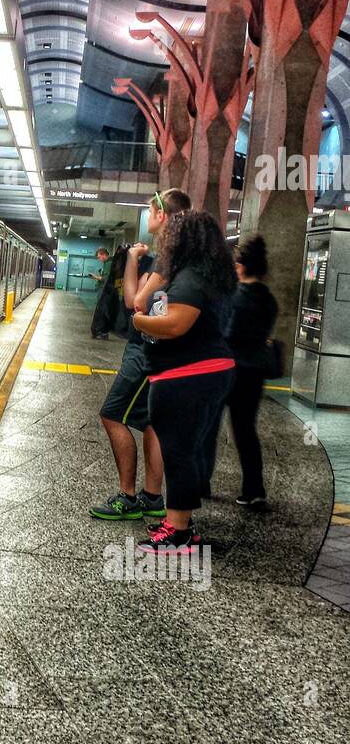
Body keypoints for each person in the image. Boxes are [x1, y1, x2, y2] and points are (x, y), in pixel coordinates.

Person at [131, 209, 237, 554]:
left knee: (178, 452)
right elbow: (163, 311)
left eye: (170, 236)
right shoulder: (203, 276)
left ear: (183, 239)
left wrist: (140, 323)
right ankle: (178, 524)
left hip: (189, 374)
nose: (164, 241)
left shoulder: (191, 277)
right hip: (200, 371)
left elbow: (175, 324)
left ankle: (179, 532)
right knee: (183, 450)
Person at [90, 189, 191, 522]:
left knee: (112, 414)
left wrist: (133, 260)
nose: (148, 217)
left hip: (146, 352)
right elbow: (140, 298)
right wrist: (135, 261)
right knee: (150, 424)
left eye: (150, 211)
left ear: (161, 215)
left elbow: (135, 301)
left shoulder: (168, 258)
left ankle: (128, 497)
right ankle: (151, 496)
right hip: (161, 352)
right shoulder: (177, 254)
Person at [225, 234, 278, 509]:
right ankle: (254, 489)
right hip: (255, 372)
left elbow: (229, 332)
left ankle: (199, 482)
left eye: (236, 263)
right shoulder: (269, 298)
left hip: (229, 368)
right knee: (246, 431)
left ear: (243, 266)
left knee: (207, 426)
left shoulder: (235, 296)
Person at [87, 247, 110, 339]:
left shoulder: (109, 264)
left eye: (99, 257)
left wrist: (96, 277)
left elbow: (106, 279)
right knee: (101, 311)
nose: (99, 259)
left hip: (105, 291)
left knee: (102, 311)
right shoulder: (105, 264)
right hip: (103, 290)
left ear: (103, 254)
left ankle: (102, 332)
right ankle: (101, 331)